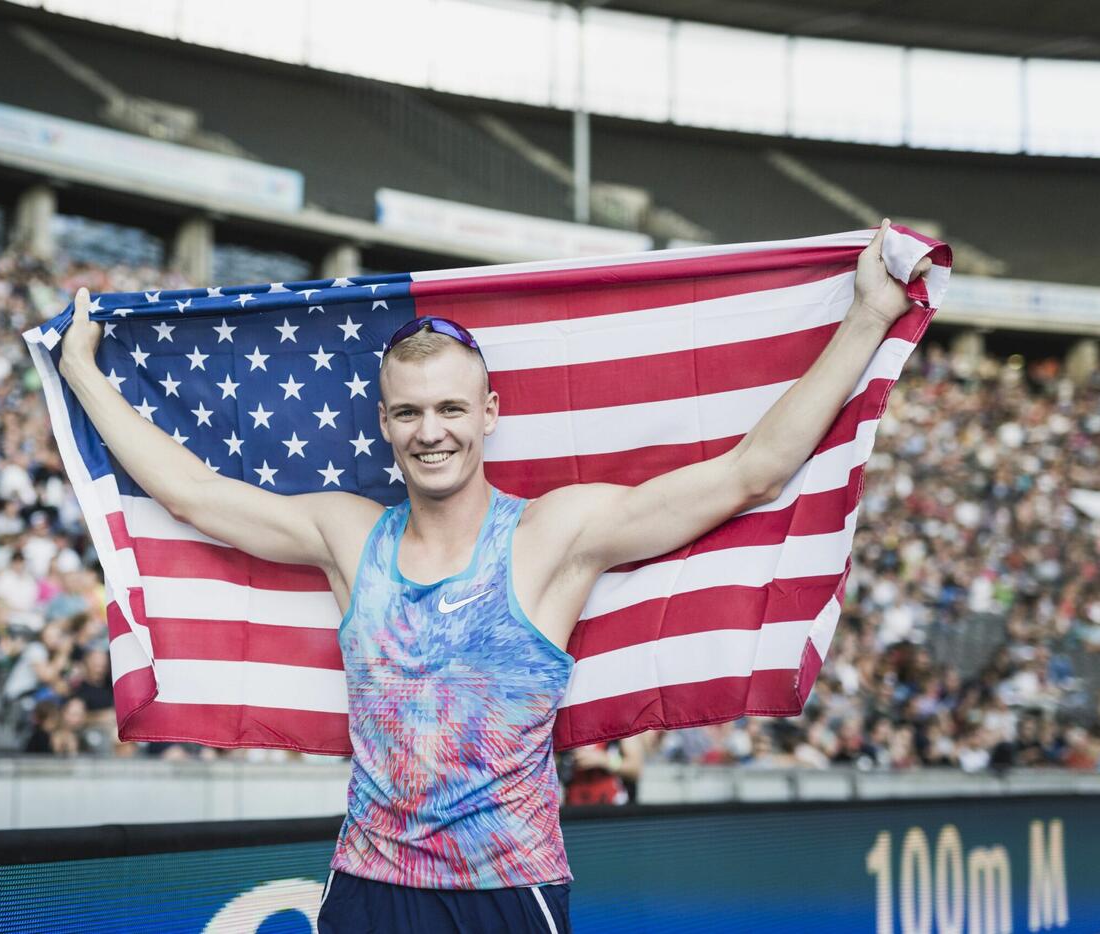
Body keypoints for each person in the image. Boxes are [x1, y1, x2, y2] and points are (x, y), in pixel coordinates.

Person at [58, 222, 929, 932]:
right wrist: (84, 377)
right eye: (408, 412)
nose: (431, 431)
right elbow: (195, 495)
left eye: (448, 409)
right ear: (386, 424)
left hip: (509, 896)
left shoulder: (555, 534)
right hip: (369, 889)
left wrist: (864, 317)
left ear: (489, 414)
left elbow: (751, 474)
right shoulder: (346, 534)